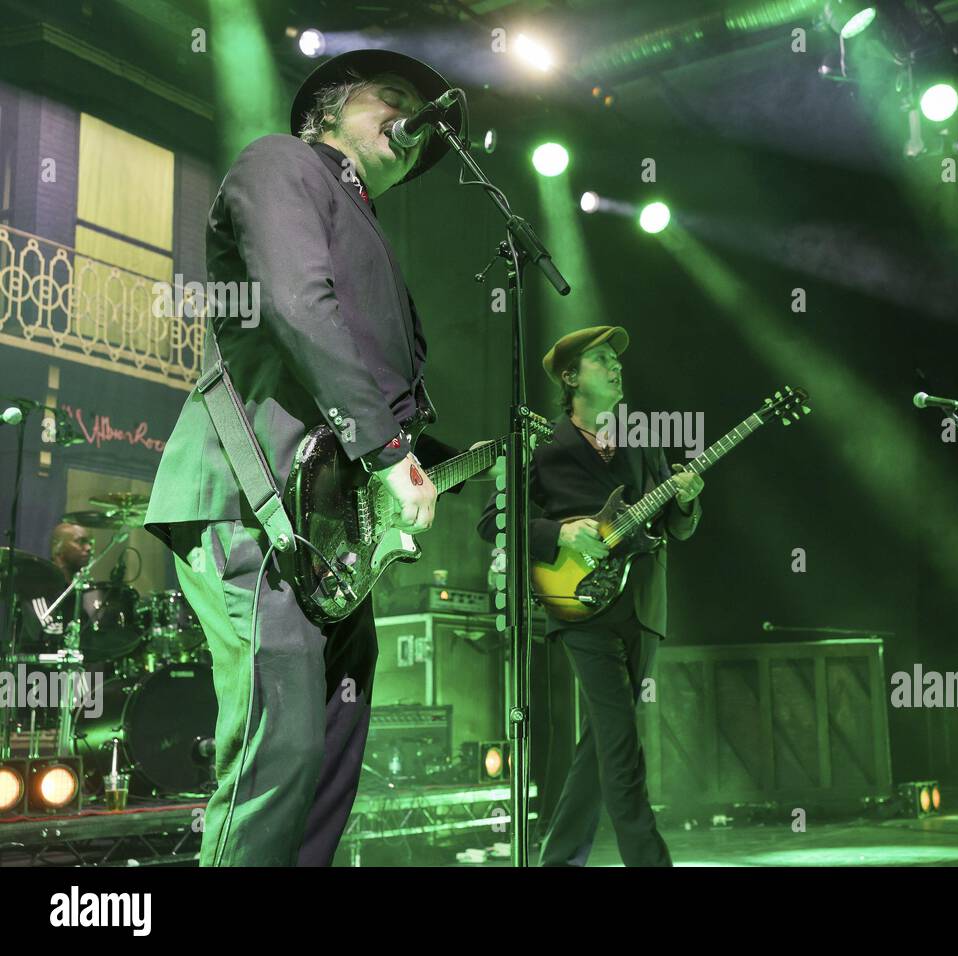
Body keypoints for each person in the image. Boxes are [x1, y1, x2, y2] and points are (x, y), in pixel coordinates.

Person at [143, 50, 466, 866]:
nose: (413, 122)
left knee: (325, 768)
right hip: (254, 501)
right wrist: (388, 448)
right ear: (325, 110)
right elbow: (295, 302)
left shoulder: (372, 235)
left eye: (422, 123)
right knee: (273, 758)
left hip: (332, 535)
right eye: (390, 99)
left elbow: (381, 389)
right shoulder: (283, 161)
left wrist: (428, 461)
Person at [478, 326, 702, 866]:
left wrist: (688, 501)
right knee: (620, 741)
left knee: (601, 742)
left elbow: (675, 526)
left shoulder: (643, 439)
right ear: (572, 377)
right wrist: (559, 533)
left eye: (616, 361)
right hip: (579, 609)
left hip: (643, 605)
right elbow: (493, 521)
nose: (617, 367)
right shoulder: (544, 447)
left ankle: (559, 862)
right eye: (602, 360)